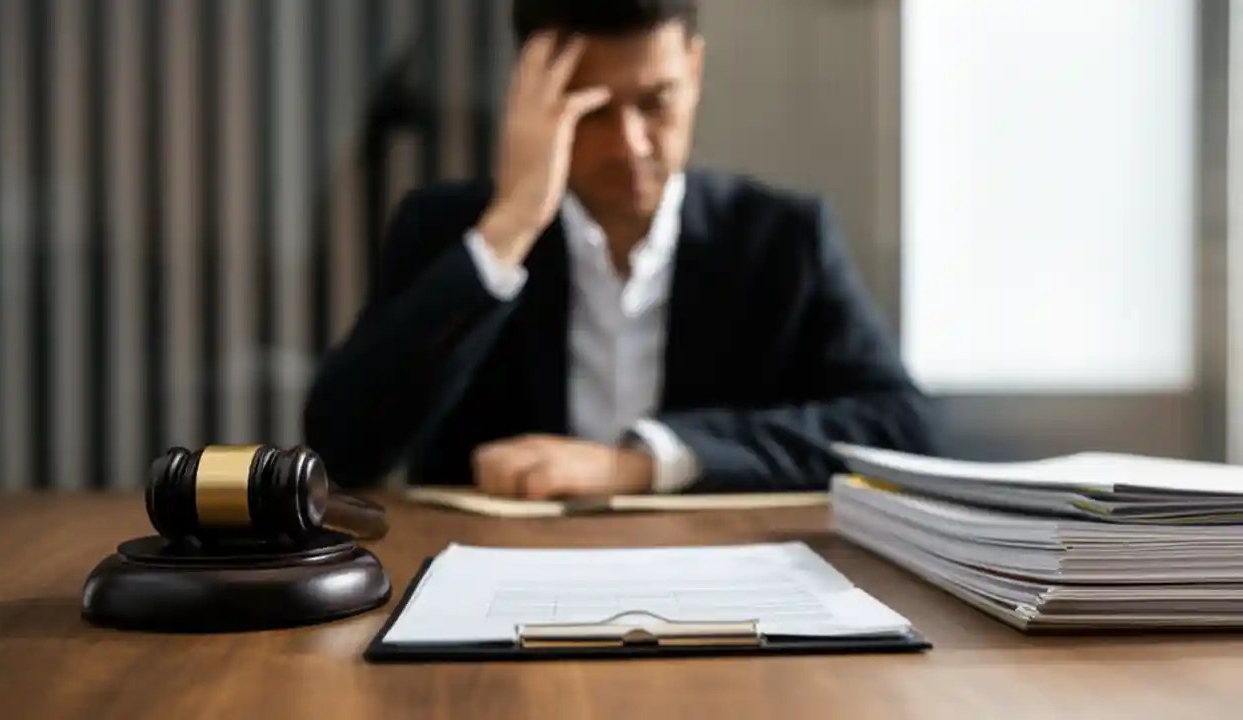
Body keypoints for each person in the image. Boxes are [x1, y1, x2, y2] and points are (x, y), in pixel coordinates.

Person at [304, 0, 937, 499]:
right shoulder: (450, 234)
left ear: (694, 69)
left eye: (655, 103)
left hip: (722, 586)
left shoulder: (782, 240)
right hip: (495, 584)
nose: (630, 145)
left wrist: (640, 463)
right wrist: (513, 225)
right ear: (531, 94)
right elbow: (344, 446)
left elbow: (901, 428)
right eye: (594, 111)